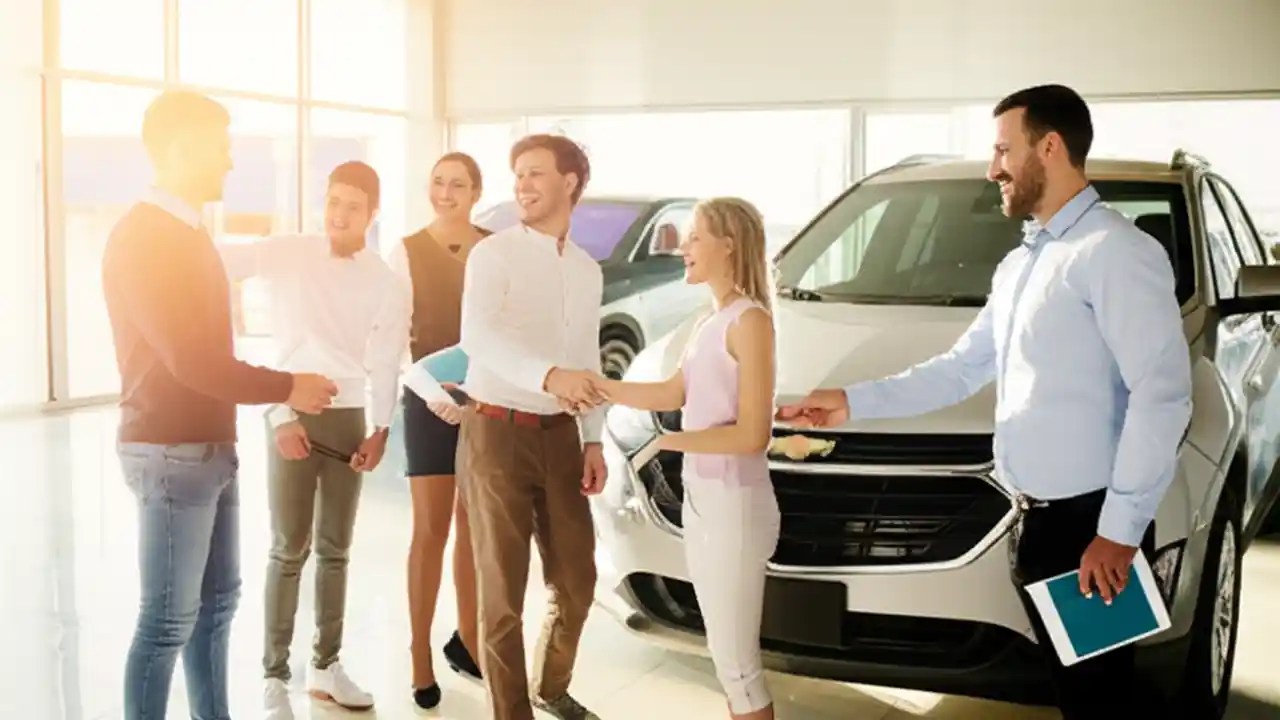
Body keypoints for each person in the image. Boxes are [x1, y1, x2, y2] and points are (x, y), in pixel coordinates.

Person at [776, 84, 1192, 719]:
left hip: (1091, 527)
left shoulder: (1114, 253)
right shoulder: (1024, 263)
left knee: (1101, 701)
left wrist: (1119, 530)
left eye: (1004, 149)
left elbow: (1162, 396)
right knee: (1072, 692)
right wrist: (849, 402)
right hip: (1038, 522)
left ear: (1049, 148)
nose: (994, 167)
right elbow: (961, 370)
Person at [102, 90, 337, 720]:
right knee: (166, 623)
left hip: (208, 448)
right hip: (171, 450)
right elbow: (190, 359)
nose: (230, 163)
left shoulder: (186, 232)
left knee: (217, 609)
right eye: (221, 147)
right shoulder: (146, 236)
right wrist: (287, 387)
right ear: (181, 147)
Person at [217, 161, 409, 718]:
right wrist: (279, 416)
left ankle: (326, 666)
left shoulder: (386, 281)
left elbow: (385, 360)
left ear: (372, 214)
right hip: (292, 412)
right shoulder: (290, 250)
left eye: (353, 205)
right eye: (333, 201)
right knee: (287, 548)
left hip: (350, 420)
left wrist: (380, 429)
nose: (339, 214)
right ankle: (274, 675)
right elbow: (218, 263)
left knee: (336, 551)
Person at [595, 198, 778, 720]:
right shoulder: (710, 320)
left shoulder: (750, 322)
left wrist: (667, 445)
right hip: (704, 503)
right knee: (726, 661)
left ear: (729, 245)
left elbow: (751, 435)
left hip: (735, 508)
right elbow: (675, 393)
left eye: (695, 237)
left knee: (740, 670)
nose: (683, 248)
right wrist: (602, 386)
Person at [456, 133, 608, 720]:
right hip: (495, 434)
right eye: (518, 173)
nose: (522, 183)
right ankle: (510, 712)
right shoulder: (493, 255)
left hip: (561, 437)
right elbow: (479, 338)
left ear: (570, 182)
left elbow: (587, 356)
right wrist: (548, 376)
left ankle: (551, 685)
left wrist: (592, 436)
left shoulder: (587, 270)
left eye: (535, 173)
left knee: (577, 580)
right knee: (502, 596)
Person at [386, 152, 488, 710]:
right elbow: (396, 340)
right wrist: (433, 395)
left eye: (458, 185)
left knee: (474, 527)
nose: (446, 193)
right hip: (429, 401)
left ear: (476, 191)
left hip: (487, 402)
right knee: (431, 529)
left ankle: (469, 639)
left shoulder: (497, 247)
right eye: (438, 183)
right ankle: (420, 654)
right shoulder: (405, 251)